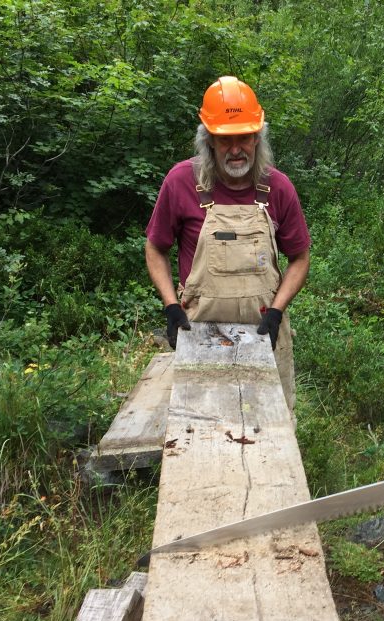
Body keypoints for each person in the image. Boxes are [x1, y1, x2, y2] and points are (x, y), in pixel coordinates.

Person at [144, 75, 311, 411]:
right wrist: (171, 307)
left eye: (244, 138)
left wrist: (277, 311)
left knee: (270, 424)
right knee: (201, 424)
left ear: (257, 138)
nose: (236, 149)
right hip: (201, 332)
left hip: (265, 331)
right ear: (208, 141)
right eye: (225, 140)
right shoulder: (180, 182)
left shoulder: (278, 188)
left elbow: (300, 258)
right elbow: (155, 247)